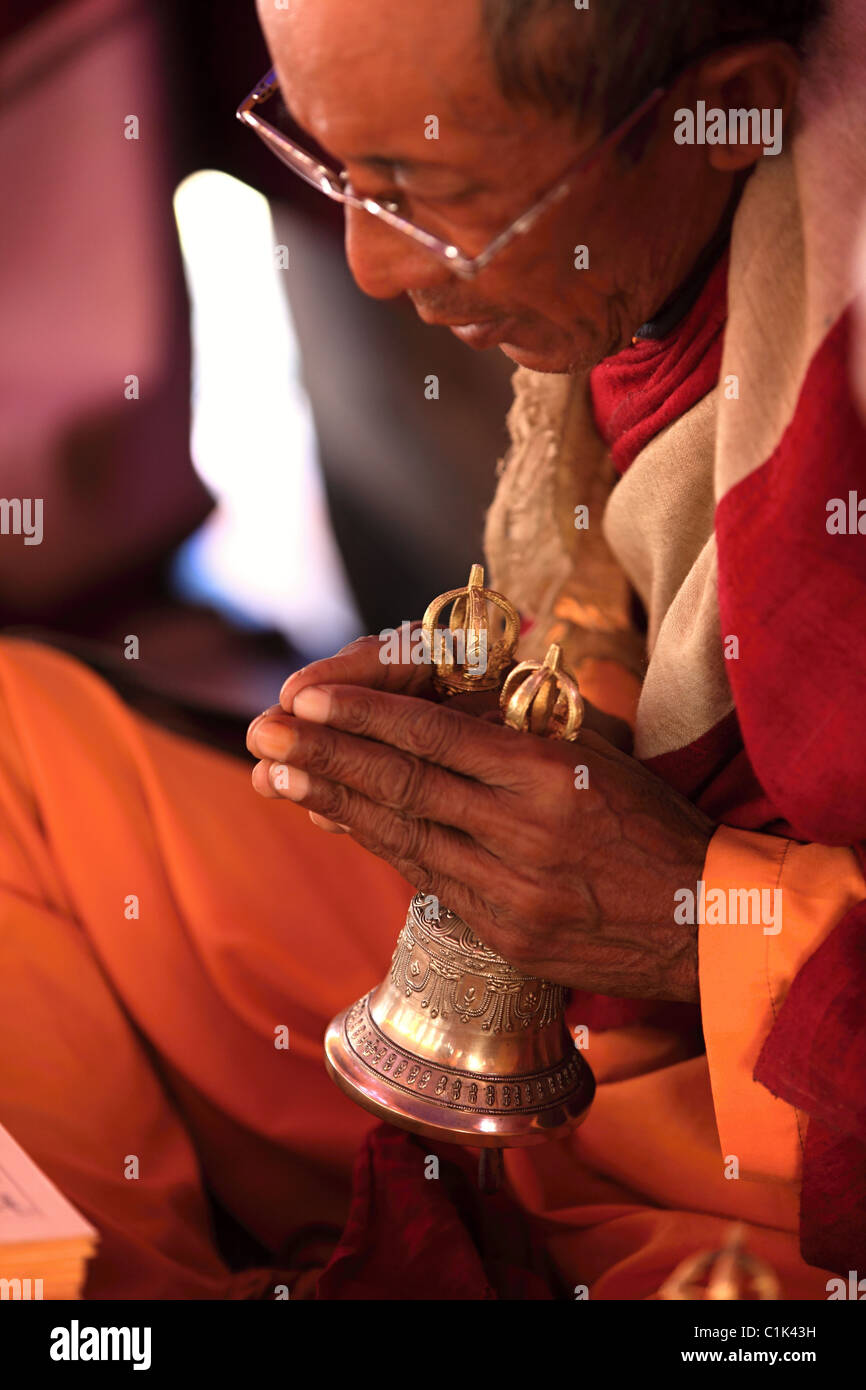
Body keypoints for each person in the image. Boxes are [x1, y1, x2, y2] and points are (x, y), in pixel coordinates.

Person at [1, 0, 863, 1298]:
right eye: (331, 164)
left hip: (759, 1157)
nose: (368, 266)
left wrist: (690, 919)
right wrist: (502, 730)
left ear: (718, 113)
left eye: (427, 194)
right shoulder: (683, 251)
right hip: (547, 1011)